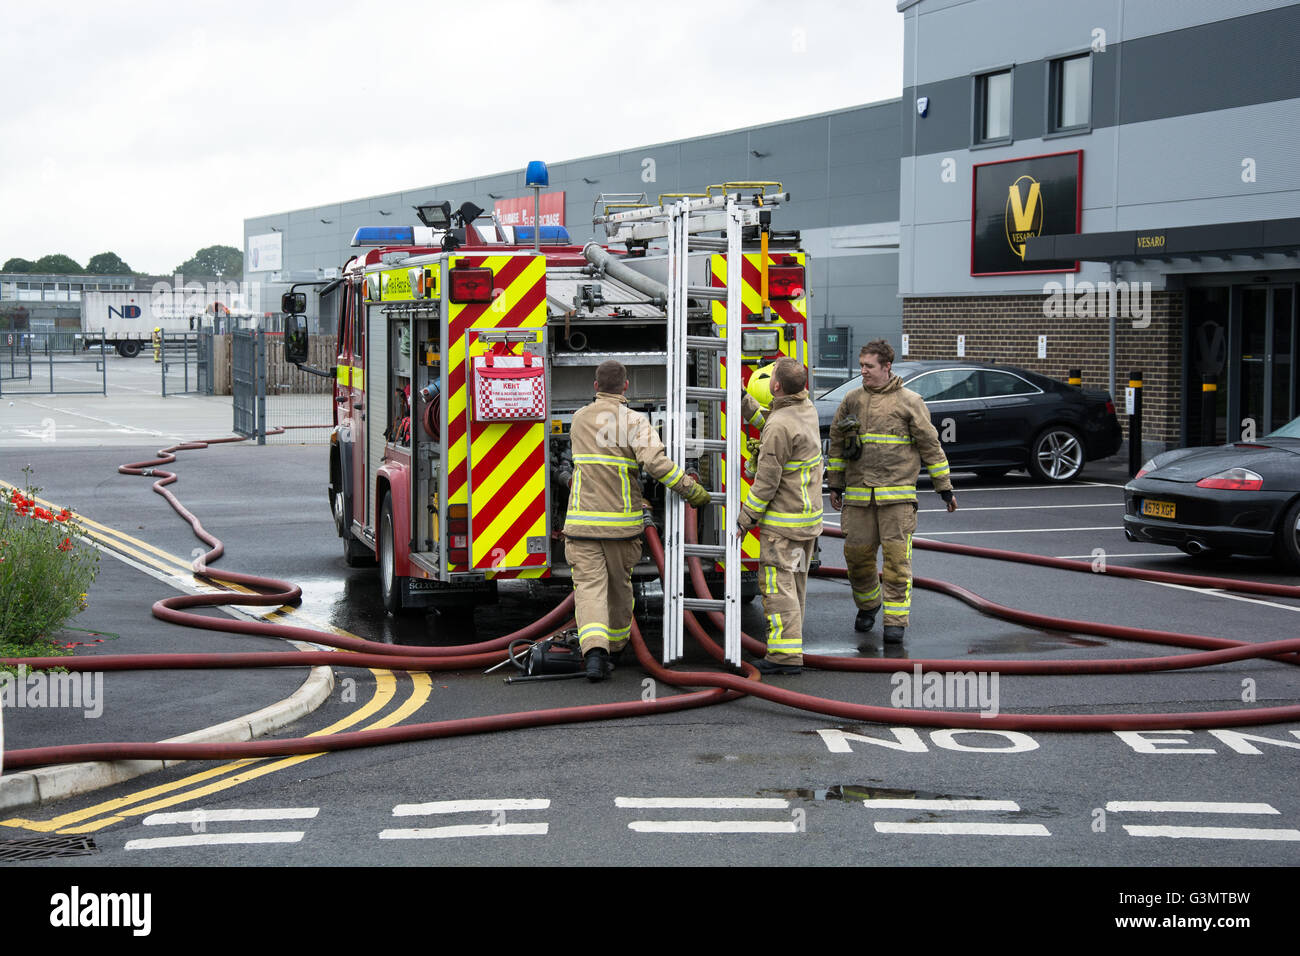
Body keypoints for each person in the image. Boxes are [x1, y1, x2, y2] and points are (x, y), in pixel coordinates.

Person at [565, 359, 711, 681]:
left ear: (595, 386)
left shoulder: (577, 419)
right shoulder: (634, 422)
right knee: (619, 588)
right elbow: (655, 464)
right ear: (626, 386)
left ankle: (595, 655)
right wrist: (690, 489)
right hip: (621, 526)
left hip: (582, 526)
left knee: (589, 589)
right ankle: (616, 649)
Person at [827, 340, 957, 646]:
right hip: (859, 498)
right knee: (856, 558)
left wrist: (945, 488)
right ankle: (869, 605)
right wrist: (835, 483)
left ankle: (895, 622)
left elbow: (931, 446)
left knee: (897, 563)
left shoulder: (910, 401)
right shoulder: (851, 400)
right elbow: (836, 444)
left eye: (869, 366)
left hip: (896, 501)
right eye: (861, 366)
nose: (863, 372)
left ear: (887, 367)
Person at [735, 356, 823, 675]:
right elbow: (774, 423)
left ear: (775, 386)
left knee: (777, 586)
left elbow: (766, 484)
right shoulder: (805, 410)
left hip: (783, 528)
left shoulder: (779, 424)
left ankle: (784, 657)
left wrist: (745, 521)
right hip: (806, 524)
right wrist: (745, 403)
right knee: (795, 583)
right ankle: (791, 647)